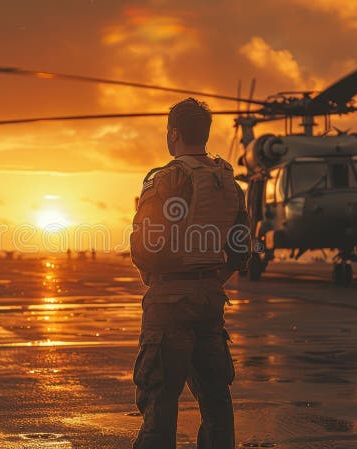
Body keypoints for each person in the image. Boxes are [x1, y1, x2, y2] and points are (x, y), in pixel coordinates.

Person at [130, 97, 250, 449]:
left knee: (159, 404)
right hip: (210, 301)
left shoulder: (167, 179)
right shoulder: (229, 183)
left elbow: (144, 248)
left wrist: (160, 280)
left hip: (168, 304)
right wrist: (209, 279)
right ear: (206, 134)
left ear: (174, 135)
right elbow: (240, 251)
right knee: (216, 402)